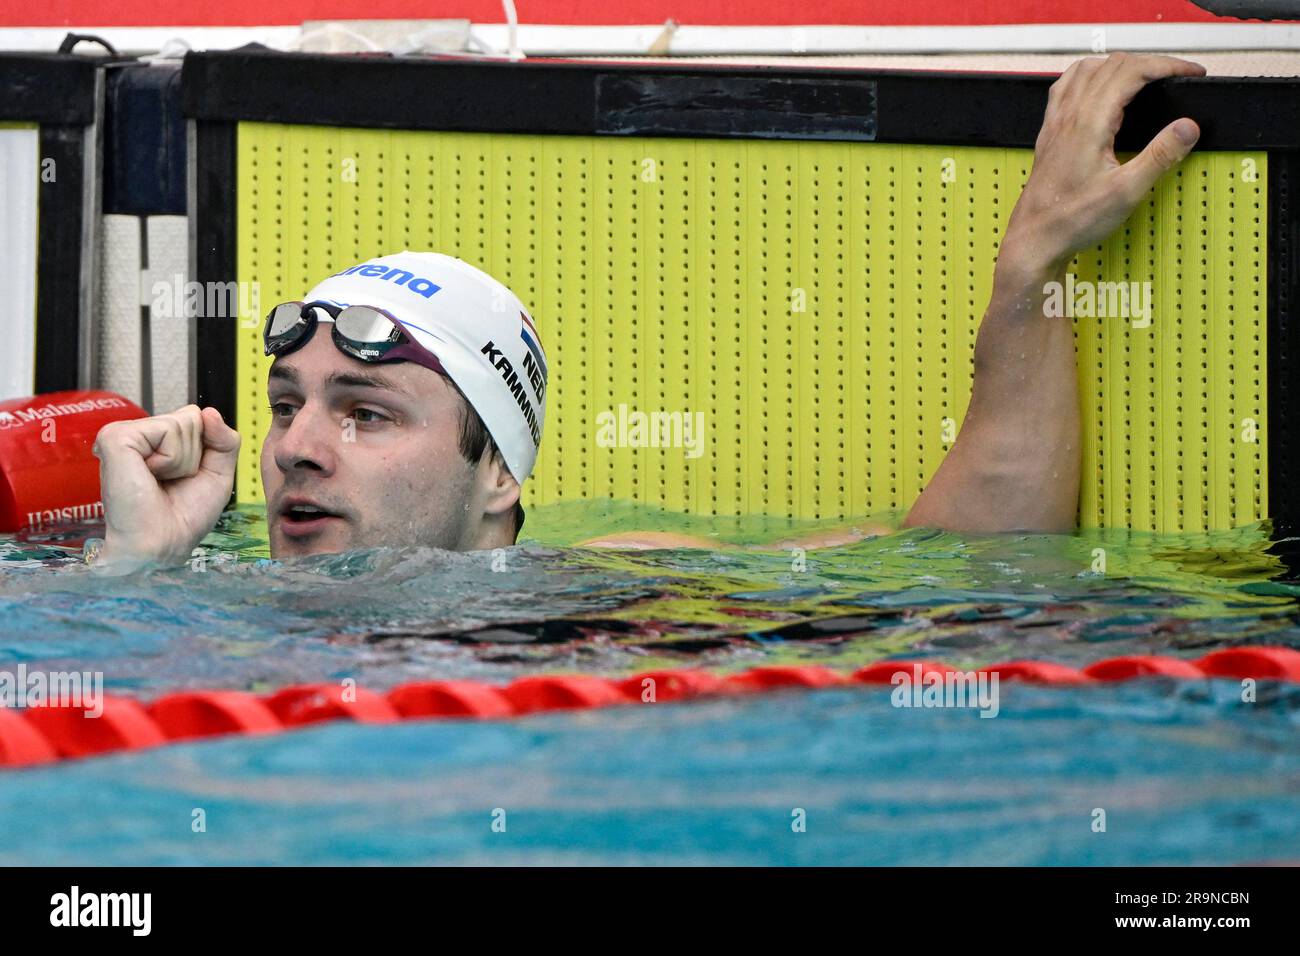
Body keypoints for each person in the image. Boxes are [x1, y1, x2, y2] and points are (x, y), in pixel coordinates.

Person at [91, 52, 1206, 569]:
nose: (295, 448)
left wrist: (1033, 273)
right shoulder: (216, 598)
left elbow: (984, 559)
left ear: (500, 474)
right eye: (287, 405)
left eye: (368, 412)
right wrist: (134, 571)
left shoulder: (595, 591)